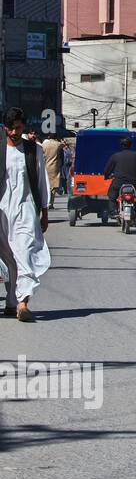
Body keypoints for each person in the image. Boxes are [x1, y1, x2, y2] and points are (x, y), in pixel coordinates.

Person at [0, 108, 50, 321]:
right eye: (10, 128)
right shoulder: (1, 149)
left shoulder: (33, 150)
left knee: (25, 253)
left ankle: (23, 303)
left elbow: (41, 181)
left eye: (17, 128)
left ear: (23, 127)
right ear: (4, 128)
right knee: (9, 258)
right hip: (2, 211)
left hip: (26, 209)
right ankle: (11, 302)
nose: (13, 132)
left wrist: (44, 211)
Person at [102, 136, 136, 217]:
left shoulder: (116, 156)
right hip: (135, 182)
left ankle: (113, 212)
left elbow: (107, 169)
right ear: (130, 145)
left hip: (119, 182)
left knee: (112, 196)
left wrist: (106, 176)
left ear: (121, 145)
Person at [39, 131, 62, 207]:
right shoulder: (58, 144)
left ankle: (45, 201)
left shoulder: (44, 144)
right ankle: (51, 203)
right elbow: (64, 144)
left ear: (48, 137)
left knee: (45, 184)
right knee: (53, 186)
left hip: (45, 165)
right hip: (54, 166)